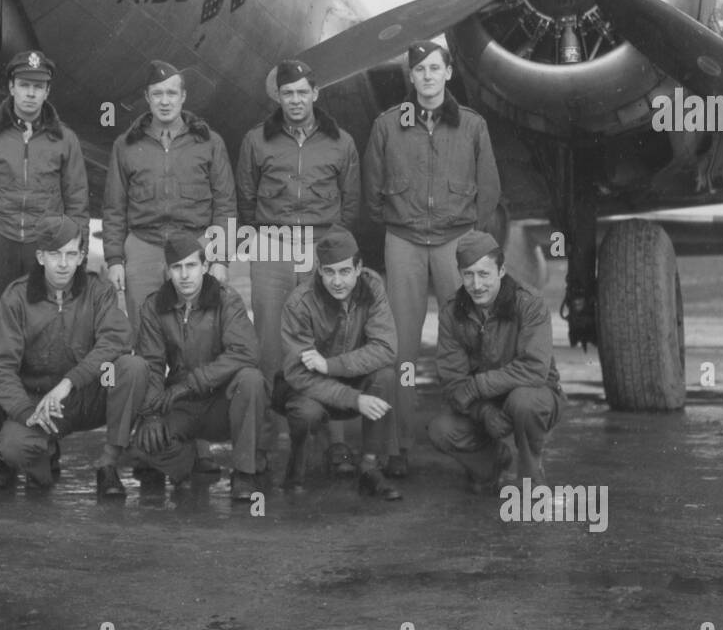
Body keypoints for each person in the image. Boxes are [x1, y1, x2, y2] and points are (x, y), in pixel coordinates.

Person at [362, 39, 501, 480]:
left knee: (468, 339)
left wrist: (469, 239)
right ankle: (396, 445)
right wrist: (400, 222)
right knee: (399, 347)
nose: (426, 76)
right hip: (403, 241)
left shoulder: (473, 127)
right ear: (411, 76)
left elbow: (490, 189)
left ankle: (477, 442)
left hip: (456, 242)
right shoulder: (387, 125)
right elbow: (371, 189)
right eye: (419, 69)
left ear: (448, 73)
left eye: (434, 68)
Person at [101, 59, 238, 479]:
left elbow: (225, 204)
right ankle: (150, 442)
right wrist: (114, 259)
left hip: (194, 250)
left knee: (197, 347)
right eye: (157, 94)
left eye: (172, 93)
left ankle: (197, 446)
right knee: (147, 351)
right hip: (143, 247)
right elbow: (113, 208)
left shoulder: (208, 142)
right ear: (147, 99)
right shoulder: (127, 144)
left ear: (183, 98)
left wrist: (222, 257)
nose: (164, 101)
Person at [235, 58, 361, 472]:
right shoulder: (257, 140)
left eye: (302, 92)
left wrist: (330, 248)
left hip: (321, 246)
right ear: (279, 97)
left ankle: (336, 441)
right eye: (287, 94)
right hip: (272, 245)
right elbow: (246, 199)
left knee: (329, 342)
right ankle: (266, 445)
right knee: (270, 346)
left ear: (315, 93)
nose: (294, 100)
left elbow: (352, 201)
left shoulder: (341, 142)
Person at [0, 215, 149, 498]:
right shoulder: (16, 298)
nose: (63, 263)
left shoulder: (98, 290)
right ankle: (44, 453)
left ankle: (108, 463)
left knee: (132, 367)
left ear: (81, 256)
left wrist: (70, 382)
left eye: (71, 254)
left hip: (88, 393)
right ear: (40, 257)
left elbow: (118, 337)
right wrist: (26, 412)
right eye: (55, 255)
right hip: (40, 403)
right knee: (14, 450)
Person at [129, 231, 266, 501]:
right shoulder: (154, 306)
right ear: (168, 272)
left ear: (204, 266)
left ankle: (243, 473)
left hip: (222, 401)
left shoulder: (227, 300)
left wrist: (193, 383)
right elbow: (152, 365)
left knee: (251, 379)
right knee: (142, 448)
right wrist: (152, 415)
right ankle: (186, 461)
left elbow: (246, 352)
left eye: (191, 266)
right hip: (182, 403)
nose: (184, 275)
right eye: (177, 268)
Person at [0, 49, 89, 314]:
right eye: (24, 85)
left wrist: (78, 258)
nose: (30, 93)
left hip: (44, 243)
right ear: (11, 87)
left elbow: (78, 205)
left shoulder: (66, 140)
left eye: (38, 87)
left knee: (41, 321)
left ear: (47, 91)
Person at [428, 231, 564, 490]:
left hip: (534, 395)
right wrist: (484, 411)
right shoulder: (451, 313)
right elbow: (452, 382)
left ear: (501, 270)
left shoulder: (529, 303)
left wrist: (478, 386)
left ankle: (531, 477)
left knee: (524, 401)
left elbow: (535, 369)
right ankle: (492, 465)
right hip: (486, 404)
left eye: (484, 274)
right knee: (440, 429)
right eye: (468, 274)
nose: (476, 285)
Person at [276, 228, 401, 500]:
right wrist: (355, 399)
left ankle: (369, 467)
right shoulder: (300, 302)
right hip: (310, 390)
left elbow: (386, 348)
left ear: (359, 268)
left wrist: (331, 365)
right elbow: (298, 374)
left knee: (386, 376)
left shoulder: (373, 286)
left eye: (345, 271)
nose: (337, 281)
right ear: (319, 270)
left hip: (345, 375)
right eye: (329, 272)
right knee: (306, 413)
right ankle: (295, 473)